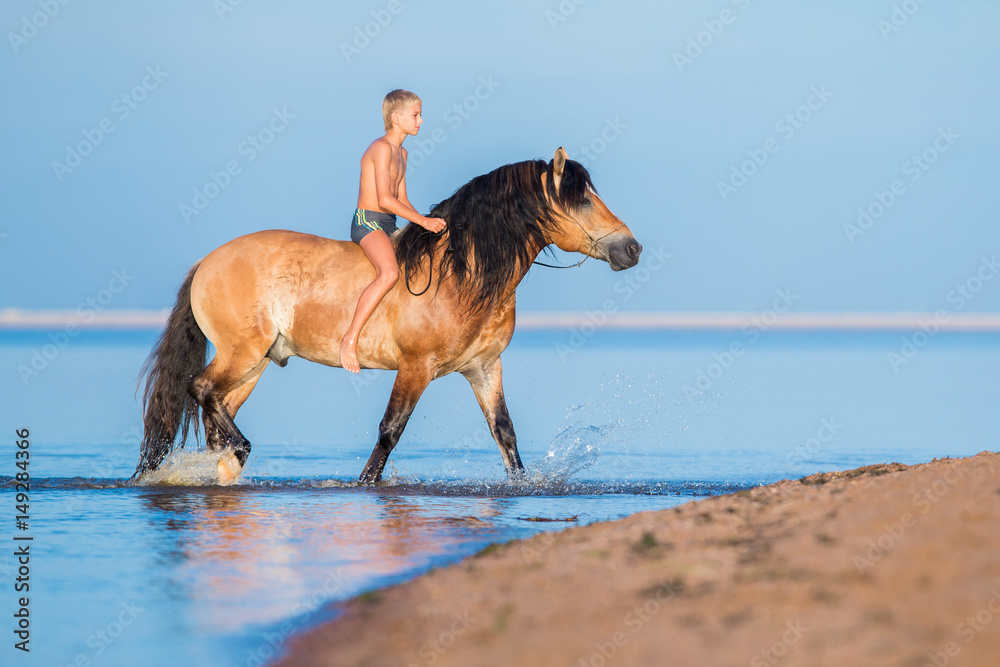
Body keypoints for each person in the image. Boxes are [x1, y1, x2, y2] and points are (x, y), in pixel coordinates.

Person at [340, 89, 447, 374]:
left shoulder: (403, 152)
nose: (421, 121)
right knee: (389, 273)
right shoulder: (382, 148)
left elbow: (402, 199)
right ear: (396, 117)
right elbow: (385, 200)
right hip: (369, 222)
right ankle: (349, 340)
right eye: (415, 115)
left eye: (421, 115)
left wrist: (424, 222)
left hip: (389, 224)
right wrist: (422, 222)